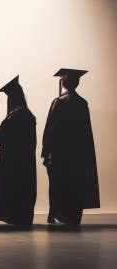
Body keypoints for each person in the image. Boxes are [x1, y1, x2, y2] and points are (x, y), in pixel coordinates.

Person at [42, 68, 100, 227]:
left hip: (60, 153)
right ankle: (73, 216)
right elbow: (86, 131)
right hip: (78, 154)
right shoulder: (82, 103)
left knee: (58, 184)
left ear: (63, 83)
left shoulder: (58, 102)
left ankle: (56, 213)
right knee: (75, 184)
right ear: (77, 83)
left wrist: (46, 152)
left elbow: (50, 130)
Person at [0, 76, 37, 228]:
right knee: (24, 188)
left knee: (13, 188)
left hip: (12, 163)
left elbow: (0, 139)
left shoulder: (14, 116)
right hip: (25, 161)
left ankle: (14, 217)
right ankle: (22, 217)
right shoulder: (28, 115)